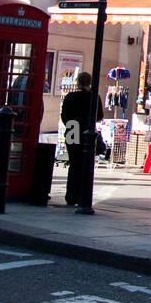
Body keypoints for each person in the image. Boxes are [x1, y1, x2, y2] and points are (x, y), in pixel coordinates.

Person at [60, 72, 104, 211]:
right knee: (85, 165)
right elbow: (100, 116)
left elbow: (64, 116)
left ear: (78, 82)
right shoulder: (94, 97)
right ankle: (82, 195)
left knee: (74, 164)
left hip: (73, 131)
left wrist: (72, 123)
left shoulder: (70, 96)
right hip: (87, 134)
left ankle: (71, 196)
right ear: (90, 82)